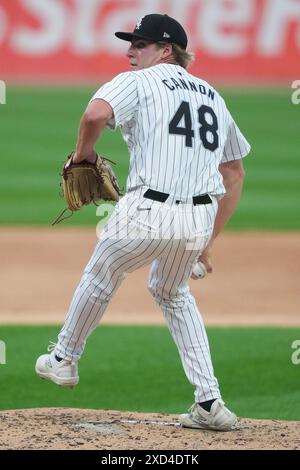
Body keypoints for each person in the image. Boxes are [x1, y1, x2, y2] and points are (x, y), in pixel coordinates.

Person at [35, 13, 251, 431]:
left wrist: (83, 156)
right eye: (130, 43)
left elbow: (95, 115)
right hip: (197, 220)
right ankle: (210, 402)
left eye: (140, 44)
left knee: (101, 274)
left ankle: (63, 359)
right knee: (172, 292)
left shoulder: (136, 81)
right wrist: (207, 242)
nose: (130, 51)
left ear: (166, 50)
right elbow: (235, 172)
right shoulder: (214, 95)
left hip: (148, 212)